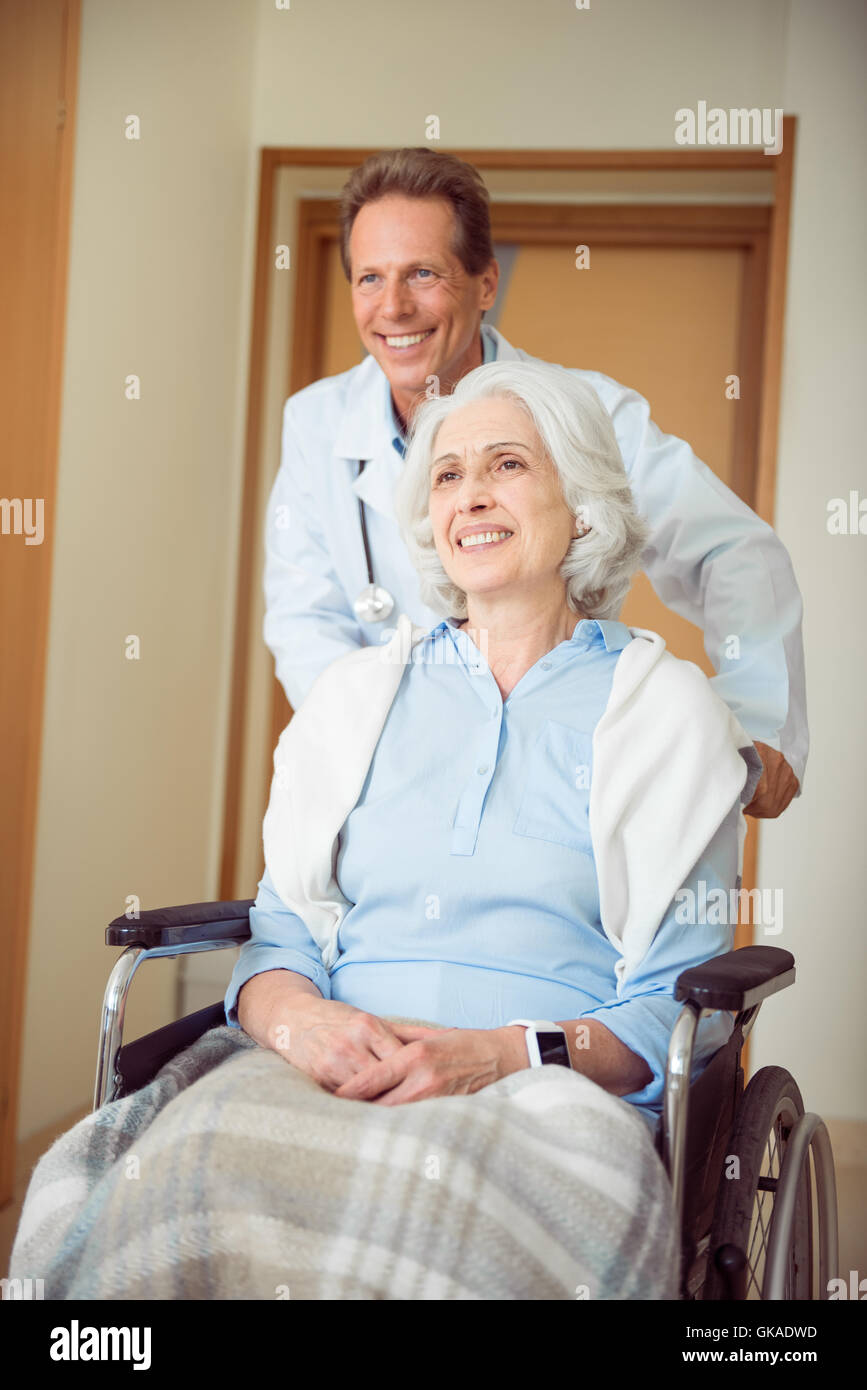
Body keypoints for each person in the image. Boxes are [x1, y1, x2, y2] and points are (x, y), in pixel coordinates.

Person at [227, 360, 762, 1133]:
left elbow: (677, 1006)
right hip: (329, 1079)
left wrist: (502, 1055)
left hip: (550, 1101)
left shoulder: (666, 713)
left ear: (582, 506)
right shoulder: (353, 700)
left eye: (506, 465)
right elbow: (281, 936)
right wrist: (302, 1026)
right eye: (446, 476)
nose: (470, 494)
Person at [262, 147, 805, 820]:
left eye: (422, 274)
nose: (392, 307)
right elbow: (302, 615)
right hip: (390, 777)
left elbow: (733, 554)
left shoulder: (592, 415)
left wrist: (757, 724)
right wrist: (366, 749)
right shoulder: (317, 423)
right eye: (369, 278)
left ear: (484, 284)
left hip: (559, 766)